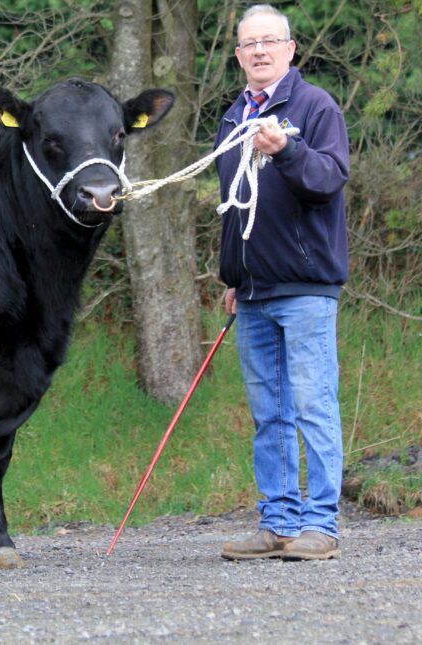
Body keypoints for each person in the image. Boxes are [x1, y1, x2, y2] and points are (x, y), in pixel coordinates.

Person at [215, 4, 350, 561]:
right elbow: (234, 209)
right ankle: (278, 522)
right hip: (252, 293)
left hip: (307, 289)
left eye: (270, 42)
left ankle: (322, 526)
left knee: (314, 404)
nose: (260, 52)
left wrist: (287, 149)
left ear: (291, 50)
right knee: (269, 412)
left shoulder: (315, 107)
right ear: (240, 55)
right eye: (249, 44)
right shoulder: (231, 118)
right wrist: (231, 274)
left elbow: (328, 178)